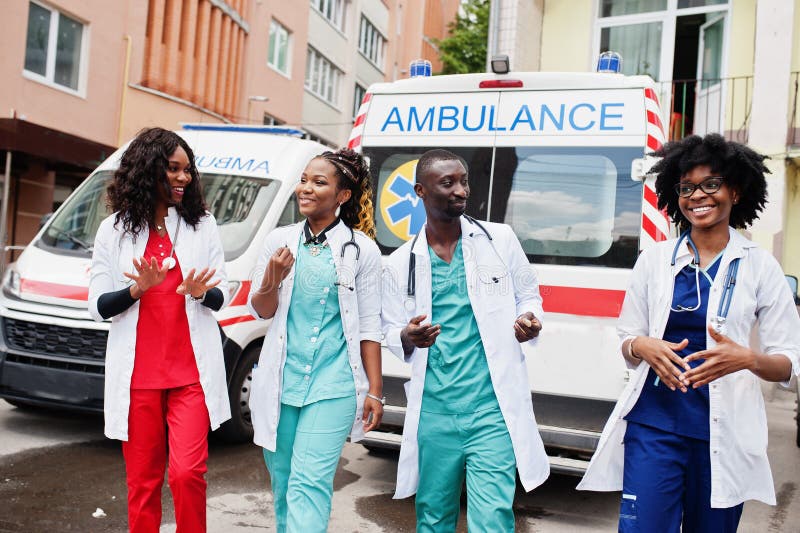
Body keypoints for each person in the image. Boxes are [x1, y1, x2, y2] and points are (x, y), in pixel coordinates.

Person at [577, 134, 800, 531]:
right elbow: (626, 337)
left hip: (724, 433)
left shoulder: (760, 267)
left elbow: (790, 363)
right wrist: (641, 345)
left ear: (734, 190)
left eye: (711, 184)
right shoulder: (656, 260)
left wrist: (749, 359)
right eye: (686, 187)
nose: (698, 195)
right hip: (654, 425)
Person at [381, 149, 550, 532]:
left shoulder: (499, 240)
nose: (461, 190)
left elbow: (529, 295)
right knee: (434, 516)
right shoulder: (398, 264)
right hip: (436, 412)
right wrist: (407, 336)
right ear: (420, 191)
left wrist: (530, 320)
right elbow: (388, 329)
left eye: (464, 181)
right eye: (448, 183)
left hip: (491, 409)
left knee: (492, 519)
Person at [88, 127, 231, 532]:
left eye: (187, 170)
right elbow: (99, 306)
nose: (184, 178)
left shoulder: (202, 225)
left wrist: (204, 293)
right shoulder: (113, 231)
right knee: (143, 485)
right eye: (173, 169)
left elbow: (223, 296)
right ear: (147, 169)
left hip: (191, 376)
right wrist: (136, 289)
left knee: (187, 475)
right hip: (138, 381)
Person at [247, 148, 383, 533]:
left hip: (334, 385)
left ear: (343, 196)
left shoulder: (362, 250)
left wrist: (374, 390)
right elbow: (262, 311)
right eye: (304, 179)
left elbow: (370, 325)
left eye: (318, 182)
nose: (306, 188)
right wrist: (272, 277)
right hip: (281, 382)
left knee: (310, 484)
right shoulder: (279, 241)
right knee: (284, 483)